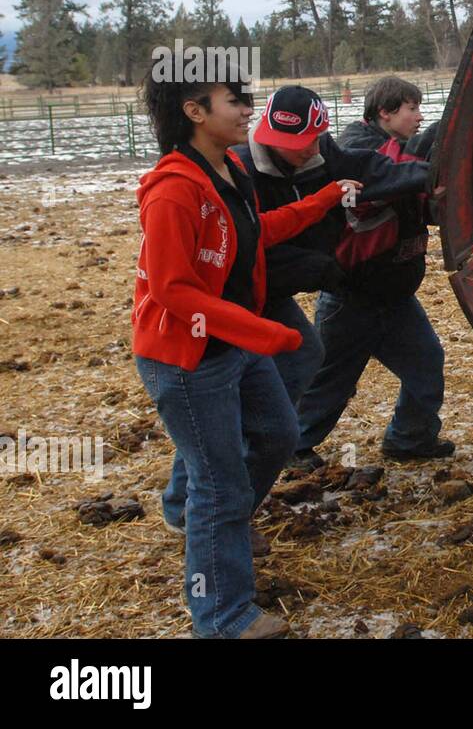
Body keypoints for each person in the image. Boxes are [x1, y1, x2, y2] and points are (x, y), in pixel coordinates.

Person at [133, 56, 358, 638]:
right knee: (220, 480)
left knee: (279, 435)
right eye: (233, 100)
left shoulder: (229, 168)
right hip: (186, 357)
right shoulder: (173, 191)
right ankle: (222, 614)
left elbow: (260, 232)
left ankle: (209, 524)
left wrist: (326, 197)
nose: (246, 110)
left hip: (229, 340)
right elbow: (170, 289)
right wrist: (262, 332)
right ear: (194, 111)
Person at [159, 84, 434, 522]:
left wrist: (431, 174)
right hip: (232, 297)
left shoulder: (322, 155)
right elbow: (247, 246)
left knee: (302, 359)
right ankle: (193, 503)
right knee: (224, 406)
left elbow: (370, 170)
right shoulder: (241, 169)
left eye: (309, 141)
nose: (303, 151)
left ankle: (245, 462)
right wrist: (312, 266)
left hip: (274, 291)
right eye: (291, 144)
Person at [292, 76, 473, 469]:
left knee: (426, 363)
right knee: (332, 379)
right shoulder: (356, 149)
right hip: (353, 297)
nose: (419, 116)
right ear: (384, 111)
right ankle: (293, 445)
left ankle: (409, 437)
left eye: (420, 110)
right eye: (411, 109)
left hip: (396, 295)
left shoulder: (401, 155)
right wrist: (444, 132)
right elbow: (392, 172)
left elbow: (434, 209)